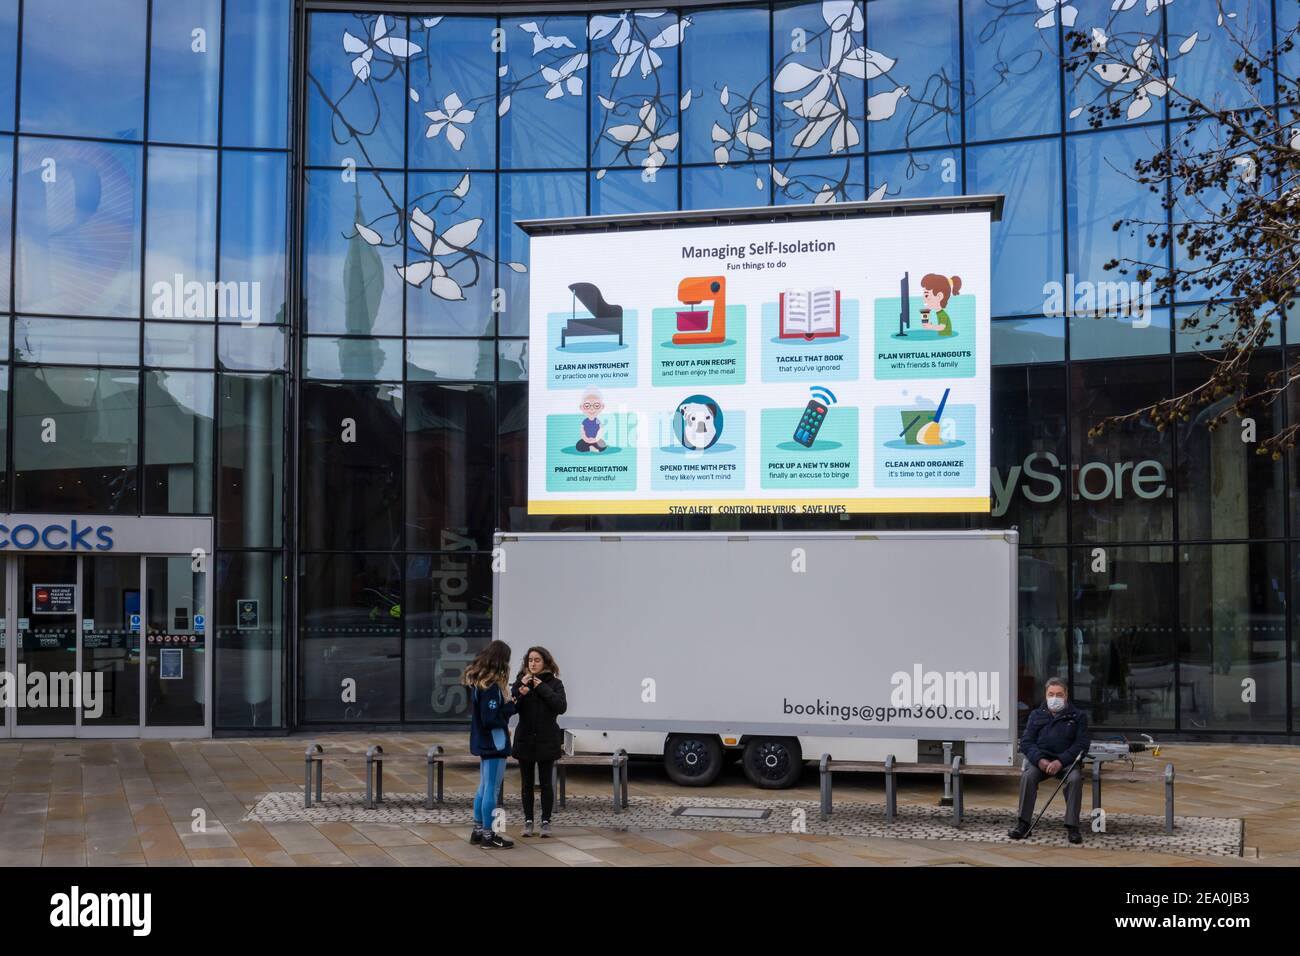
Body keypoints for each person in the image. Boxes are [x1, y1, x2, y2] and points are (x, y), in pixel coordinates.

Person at [1009, 677, 1090, 844]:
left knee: (1075, 779)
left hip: (1066, 762)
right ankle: (1023, 823)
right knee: (1027, 777)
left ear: (1066, 695)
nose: (1055, 698)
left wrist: (1060, 761)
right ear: (1045, 695)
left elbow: (1082, 745)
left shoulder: (1078, 716)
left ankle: (1072, 826)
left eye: (1059, 694)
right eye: (1051, 694)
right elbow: (1026, 742)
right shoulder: (1036, 714)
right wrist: (1040, 761)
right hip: (1041, 761)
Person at [462, 640, 516, 849]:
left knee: (484, 787)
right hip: (495, 743)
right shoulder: (492, 687)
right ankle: (488, 834)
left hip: (485, 742)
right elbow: (491, 718)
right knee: (491, 789)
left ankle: (478, 831)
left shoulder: (480, 683)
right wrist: (510, 707)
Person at [511, 646, 568, 838]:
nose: (533, 664)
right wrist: (520, 690)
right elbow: (512, 707)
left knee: (546, 784)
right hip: (525, 739)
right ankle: (528, 821)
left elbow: (561, 707)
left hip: (547, 740)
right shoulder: (521, 681)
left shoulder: (555, 684)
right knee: (526, 784)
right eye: (530, 660)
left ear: (545, 662)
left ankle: (546, 821)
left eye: (537, 660)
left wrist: (540, 687)